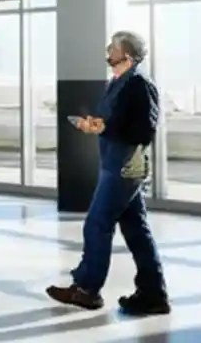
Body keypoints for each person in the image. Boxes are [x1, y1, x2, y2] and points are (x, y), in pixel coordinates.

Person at [46, 30, 170, 316]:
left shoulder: (140, 84)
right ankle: (153, 294)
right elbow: (115, 121)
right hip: (115, 164)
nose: (108, 50)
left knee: (96, 224)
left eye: (113, 47)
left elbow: (144, 130)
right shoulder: (118, 82)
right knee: (136, 230)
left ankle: (87, 290)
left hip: (124, 168)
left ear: (127, 53)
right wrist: (96, 124)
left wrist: (104, 128)